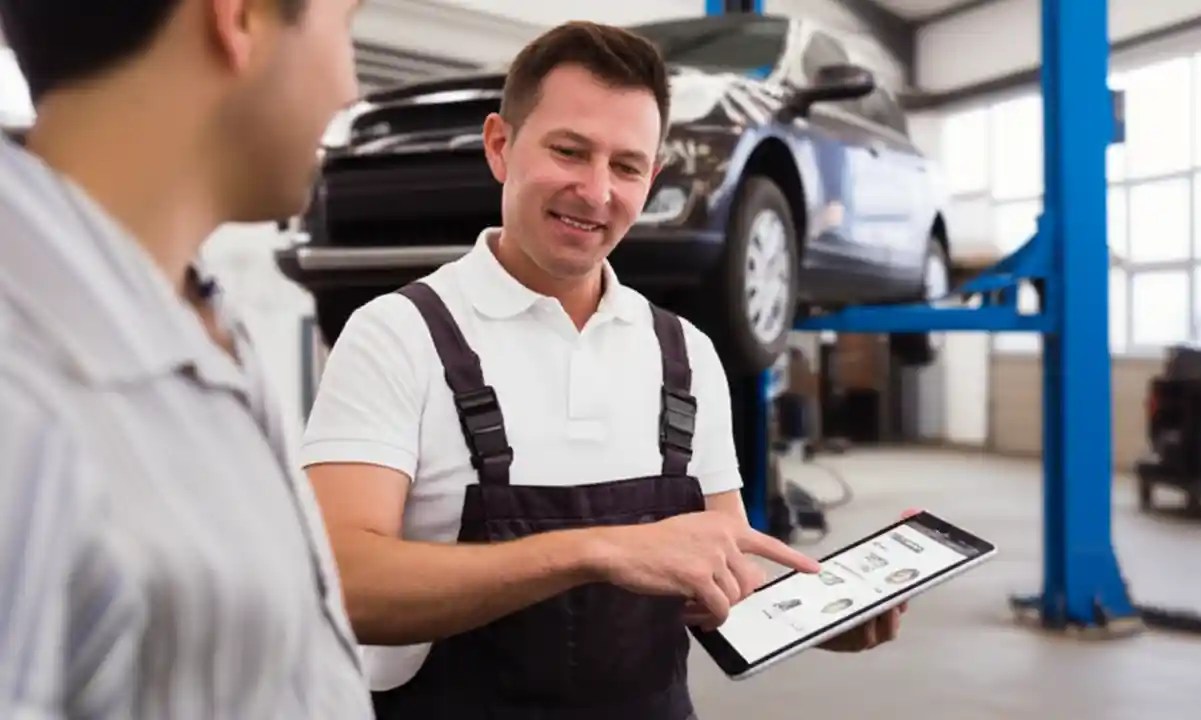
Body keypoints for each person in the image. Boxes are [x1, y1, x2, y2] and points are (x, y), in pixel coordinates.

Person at [301, 20, 908, 720]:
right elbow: (339, 584)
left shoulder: (684, 356)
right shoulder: (397, 336)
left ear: (651, 179)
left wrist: (824, 619)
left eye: (626, 166)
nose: (595, 192)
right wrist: (593, 552)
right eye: (569, 151)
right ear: (500, 146)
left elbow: (722, 586)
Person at [0, 0, 373, 717]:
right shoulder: (23, 396)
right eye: (344, 24)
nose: (350, 90)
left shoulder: (195, 319)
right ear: (238, 19)